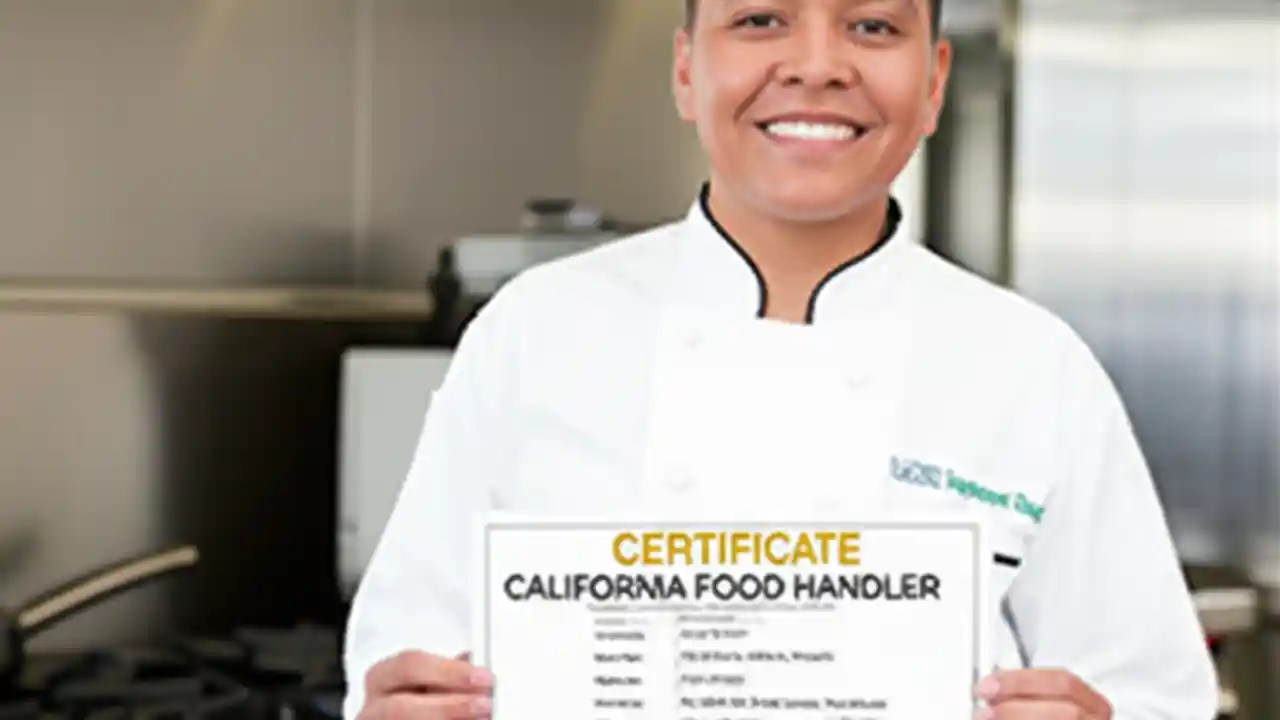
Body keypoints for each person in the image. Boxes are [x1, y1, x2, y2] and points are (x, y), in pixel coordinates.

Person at [343, 0, 1219, 718]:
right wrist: (401, 705)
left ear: (935, 83)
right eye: (762, 20)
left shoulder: (1034, 367)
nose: (817, 65)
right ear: (687, 70)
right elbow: (404, 658)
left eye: (872, 27)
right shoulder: (533, 331)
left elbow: (1155, 699)